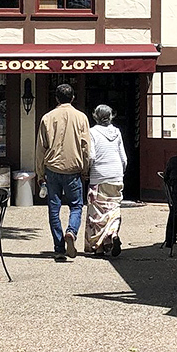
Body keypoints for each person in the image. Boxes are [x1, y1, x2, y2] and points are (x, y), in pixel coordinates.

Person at [36, 83, 90, 261]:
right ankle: (71, 231)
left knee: (54, 208)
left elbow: (40, 148)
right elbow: (86, 147)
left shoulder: (47, 118)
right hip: (73, 169)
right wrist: (85, 169)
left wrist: (40, 173)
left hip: (52, 168)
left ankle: (59, 248)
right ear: (73, 98)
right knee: (76, 205)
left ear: (56, 98)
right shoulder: (81, 117)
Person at [85, 104, 127, 257]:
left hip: (99, 175)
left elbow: (91, 156)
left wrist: (86, 170)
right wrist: (121, 171)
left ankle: (99, 247)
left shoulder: (92, 132)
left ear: (95, 116)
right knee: (113, 208)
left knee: (97, 212)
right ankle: (113, 233)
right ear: (110, 116)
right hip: (116, 174)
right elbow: (123, 158)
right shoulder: (117, 132)